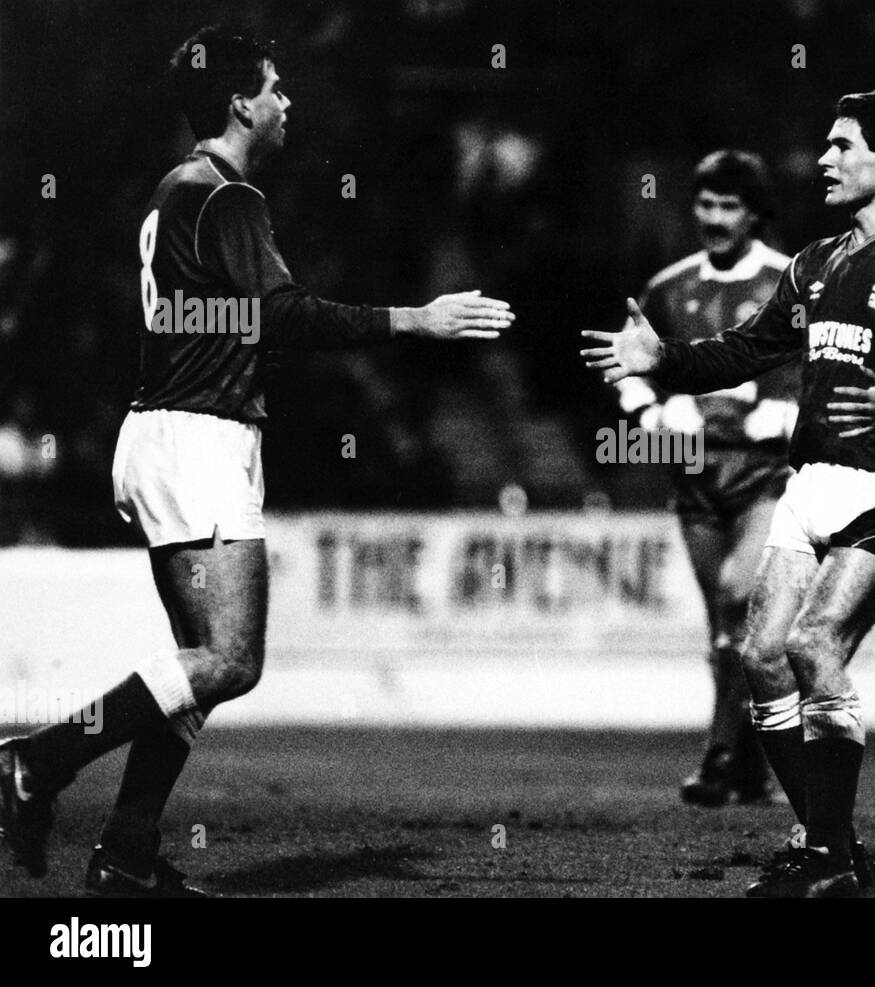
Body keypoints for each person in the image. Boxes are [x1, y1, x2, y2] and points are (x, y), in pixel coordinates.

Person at [0, 26, 513, 896]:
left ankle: (123, 854)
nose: (286, 102)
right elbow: (285, 312)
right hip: (200, 439)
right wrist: (414, 321)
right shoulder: (230, 199)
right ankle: (36, 761)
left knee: (192, 672)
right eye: (276, 87)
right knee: (232, 660)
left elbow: (233, 320)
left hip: (165, 432)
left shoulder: (175, 192)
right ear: (241, 103)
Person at [583, 89, 875, 897]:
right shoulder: (816, 262)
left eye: (843, 146)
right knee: (759, 654)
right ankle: (832, 851)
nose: (825, 160)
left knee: (813, 647)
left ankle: (826, 854)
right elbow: (745, 348)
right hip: (811, 481)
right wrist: (660, 359)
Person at [615, 150, 797, 806]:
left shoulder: (787, 281)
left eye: (728, 206)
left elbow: (813, 370)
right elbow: (629, 362)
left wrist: (772, 413)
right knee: (723, 629)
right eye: (705, 204)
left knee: (735, 596)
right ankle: (754, 764)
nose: (713, 218)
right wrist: (649, 407)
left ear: (754, 213)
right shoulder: (668, 286)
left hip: (764, 475)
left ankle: (719, 757)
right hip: (692, 478)